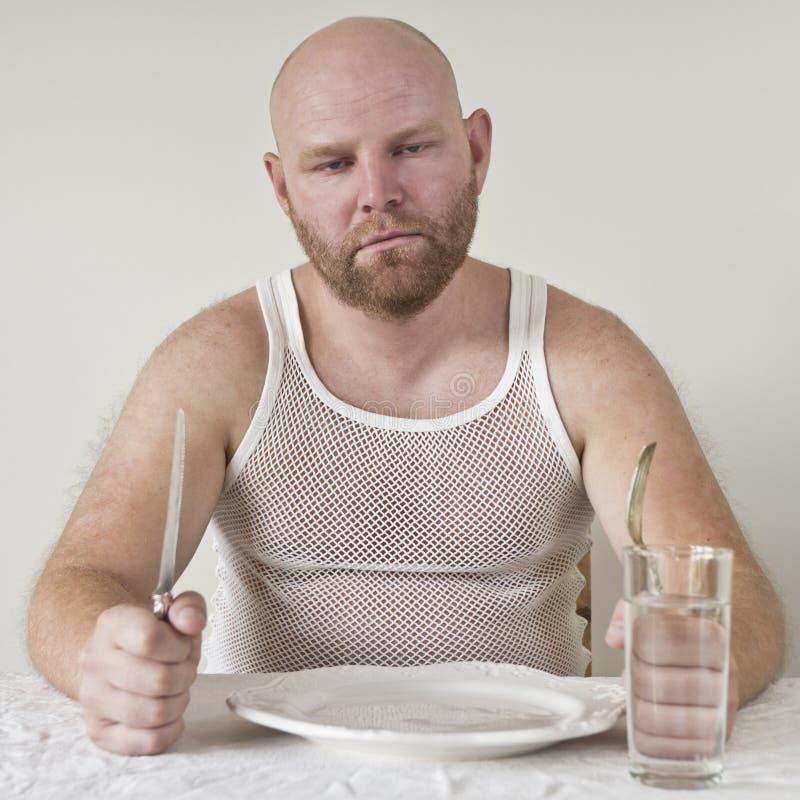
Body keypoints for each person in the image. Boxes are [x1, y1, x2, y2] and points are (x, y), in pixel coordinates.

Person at [27, 16, 784, 756]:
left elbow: (738, 601)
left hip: (521, 776)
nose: (378, 192)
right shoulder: (220, 359)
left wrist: (706, 660)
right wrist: (112, 654)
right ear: (283, 188)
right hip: (274, 771)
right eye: (331, 164)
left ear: (477, 150)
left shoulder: (588, 358)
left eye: (412, 147)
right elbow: (80, 582)